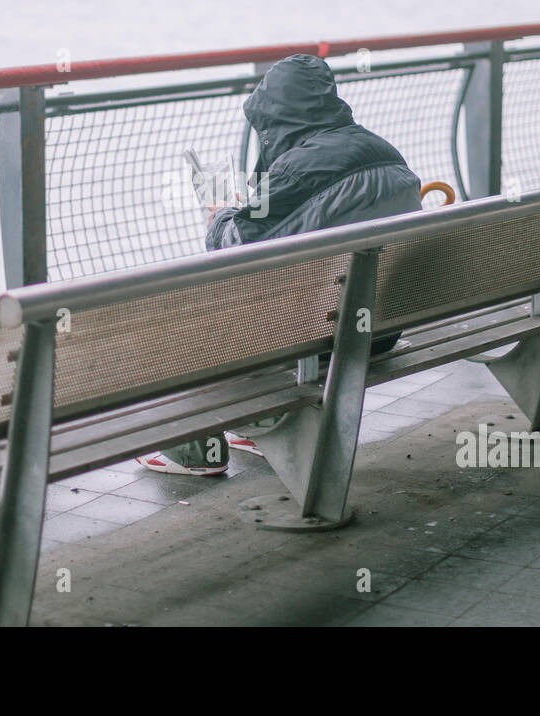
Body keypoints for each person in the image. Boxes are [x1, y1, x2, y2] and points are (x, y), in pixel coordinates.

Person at [136, 53, 423, 476]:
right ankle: (265, 424)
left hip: (319, 338)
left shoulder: (296, 170)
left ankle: (195, 452)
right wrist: (263, 200)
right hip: (383, 327)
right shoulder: (384, 150)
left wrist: (217, 214)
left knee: (183, 319)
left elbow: (234, 246)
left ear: (274, 119)